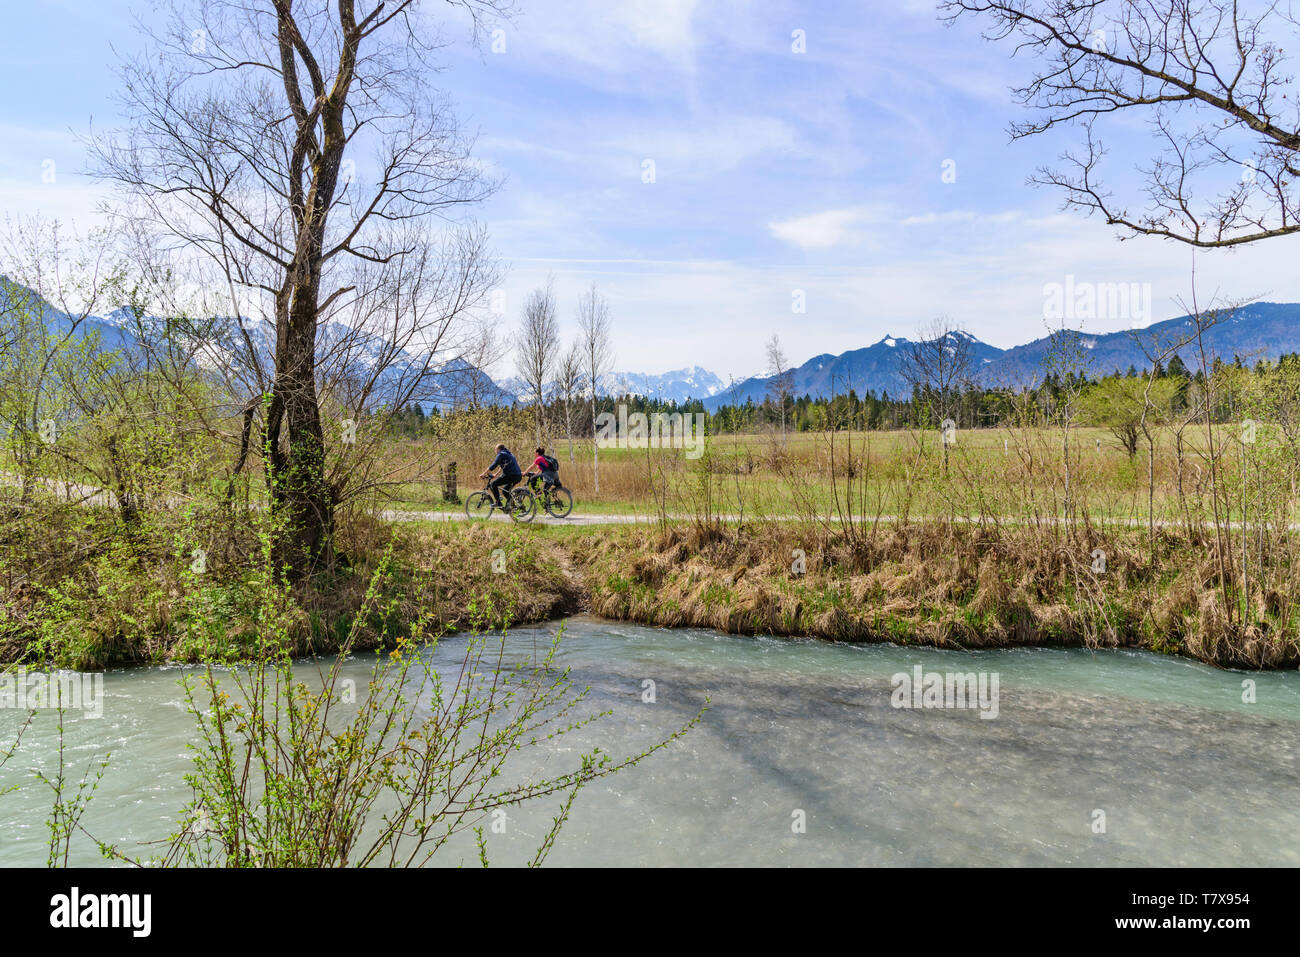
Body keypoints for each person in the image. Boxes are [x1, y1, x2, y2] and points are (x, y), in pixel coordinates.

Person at [480, 443, 523, 508]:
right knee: (505, 491)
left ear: (498, 449)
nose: (495, 451)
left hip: (511, 475)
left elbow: (493, 465)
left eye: (495, 449)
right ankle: (514, 507)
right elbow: (503, 465)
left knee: (493, 484)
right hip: (518, 476)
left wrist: (483, 473)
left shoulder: (501, 454)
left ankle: (498, 503)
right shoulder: (508, 453)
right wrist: (496, 474)